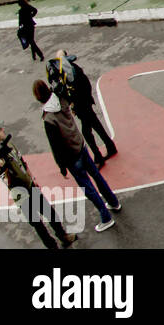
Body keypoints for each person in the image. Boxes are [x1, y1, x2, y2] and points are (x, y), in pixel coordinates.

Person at [37, 79, 120, 233]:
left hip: (71, 157)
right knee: (97, 176)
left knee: (88, 187)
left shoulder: (48, 119)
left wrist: (61, 166)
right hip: (80, 145)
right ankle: (113, 201)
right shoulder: (61, 99)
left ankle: (106, 217)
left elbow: (55, 146)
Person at [0, 123, 77, 248]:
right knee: (37, 222)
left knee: (48, 211)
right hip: (19, 192)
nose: (3, 130)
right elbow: (5, 178)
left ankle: (63, 236)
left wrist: (32, 178)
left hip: (29, 184)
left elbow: (22, 162)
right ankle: (52, 246)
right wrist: (4, 162)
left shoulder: (10, 145)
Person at [53, 50, 118, 168]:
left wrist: (75, 103)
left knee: (86, 132)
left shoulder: (72, 71)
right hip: (84, 104)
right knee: (96, 126)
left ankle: (98, 156)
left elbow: (77, 88)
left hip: (83, 105)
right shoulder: (71, 70)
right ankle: (110, 146)